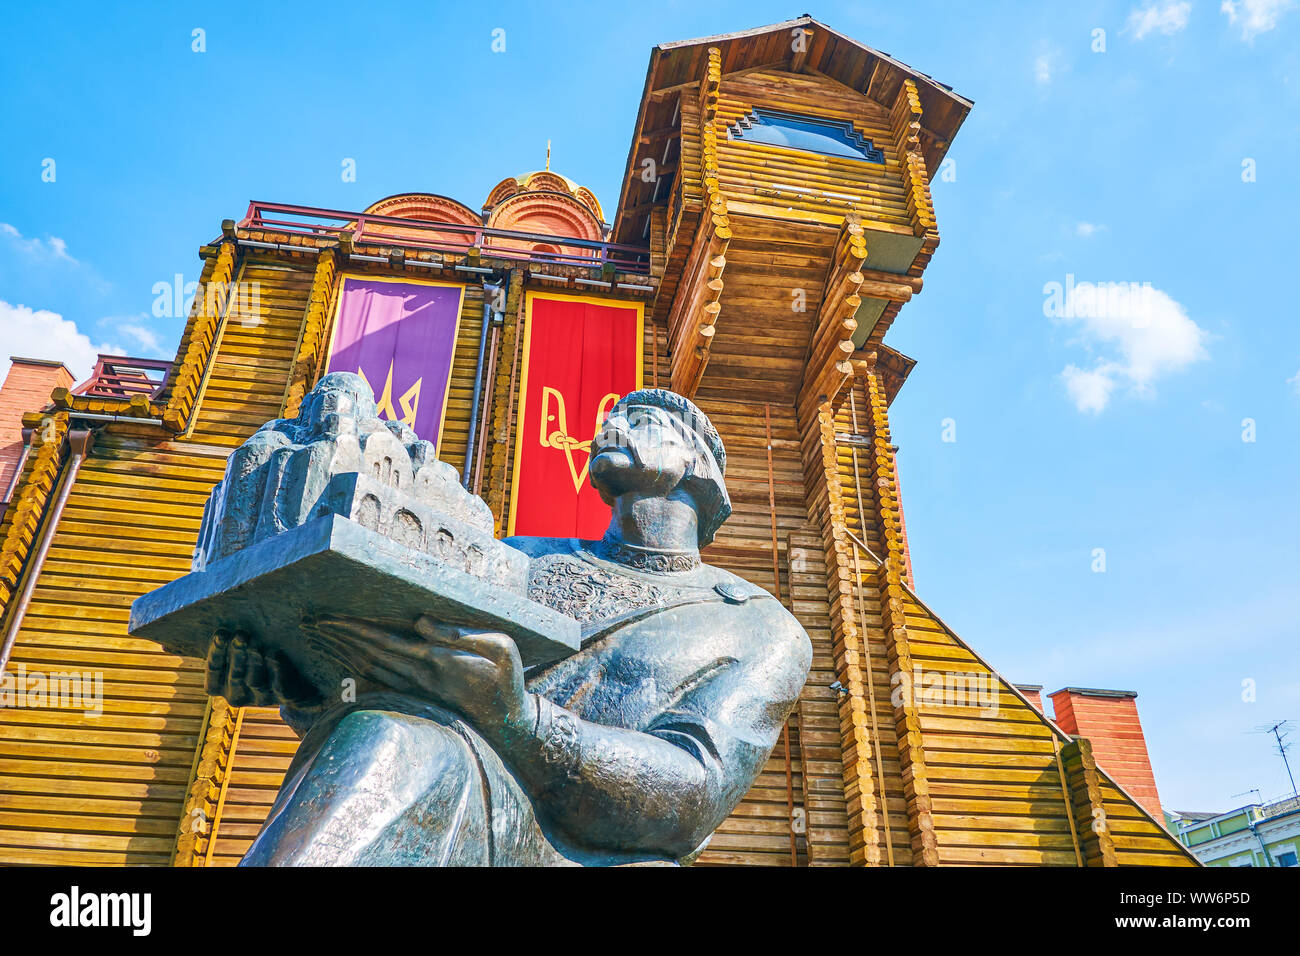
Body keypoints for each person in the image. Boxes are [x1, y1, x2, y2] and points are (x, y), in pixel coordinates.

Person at [209, 388, 811, 866]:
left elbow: (692, 796)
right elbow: (409, 681)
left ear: (697, 464)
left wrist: (520, 719)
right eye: (613, 416)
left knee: (399, 741)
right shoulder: (522, 559)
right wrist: (302, 685)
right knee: (387, 733)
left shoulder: (759, 626)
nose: (613, 426)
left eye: (643, 420)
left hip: (583, 851)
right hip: (455, 776)